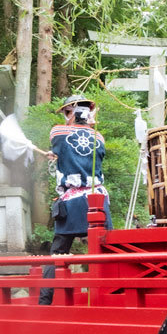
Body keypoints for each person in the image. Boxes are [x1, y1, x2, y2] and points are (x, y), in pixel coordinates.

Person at [40, 94, 111, 305]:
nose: (64, 117)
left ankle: (44, 303)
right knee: (106, 249)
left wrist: (57, 155)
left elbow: (65, 145)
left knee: (58, 254)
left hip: (72, 202)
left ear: (71, 112)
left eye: (66, 113)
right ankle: (110, 297)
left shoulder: (58, 132)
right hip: (98, 200)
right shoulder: (99, 137)